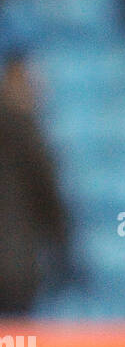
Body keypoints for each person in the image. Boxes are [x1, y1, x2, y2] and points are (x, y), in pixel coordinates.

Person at [0, 53, 72, 314]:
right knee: (16, 344)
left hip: (16, 263)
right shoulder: (26, 128)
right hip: (16, 265)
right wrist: (63, 247)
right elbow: (48, 194)